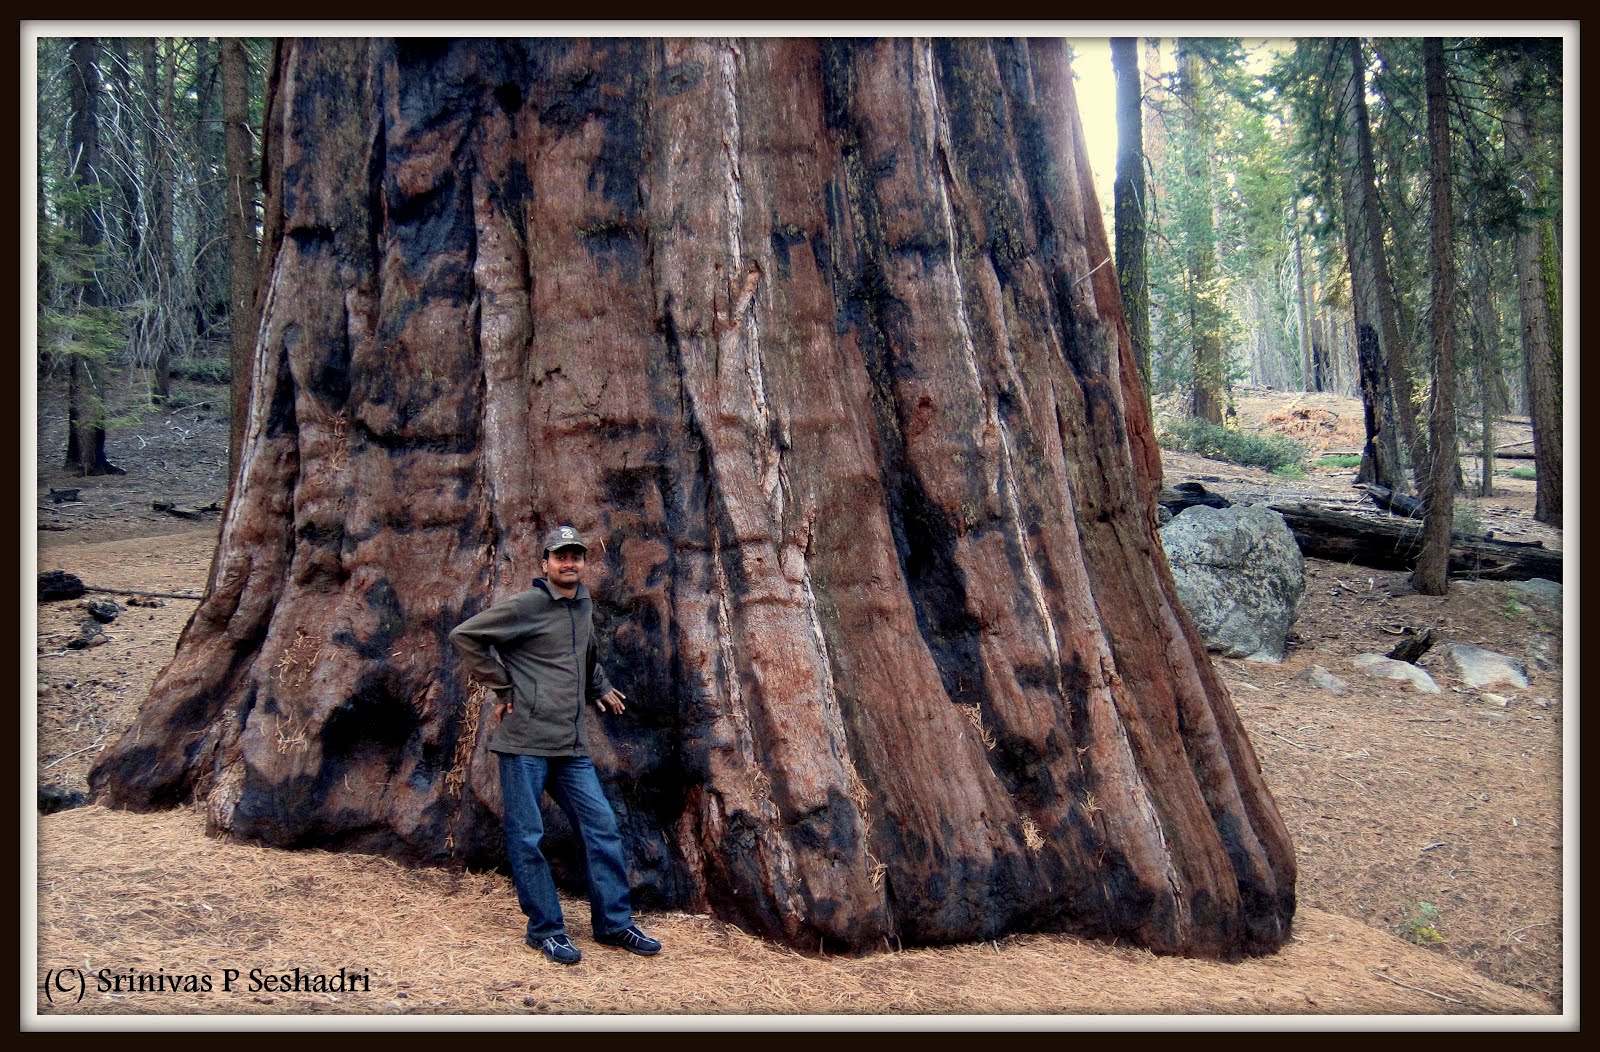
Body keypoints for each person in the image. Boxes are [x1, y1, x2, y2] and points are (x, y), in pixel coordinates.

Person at [449, 524, 661, 965]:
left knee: (601, 826)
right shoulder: (527, 605)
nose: (569, 563)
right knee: (528, 837)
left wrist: (599, 685)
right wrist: (502, 688)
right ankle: (546, 930)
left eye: (576, 556)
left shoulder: (582, 604)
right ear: (544, 563)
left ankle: (615, 924)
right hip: (524, 743)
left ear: (584, 563)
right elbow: (466, 637)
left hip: (571, 747)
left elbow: (586, 653)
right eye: (560, 556)